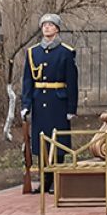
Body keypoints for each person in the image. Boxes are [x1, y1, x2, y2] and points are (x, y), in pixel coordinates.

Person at [21, 13, 79, 195]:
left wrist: (71, 108)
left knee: (57, 142)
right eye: (44, 25)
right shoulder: (33, 52)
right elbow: (27, 81)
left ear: (57, 29)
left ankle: (56, 181)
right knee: (41, 143)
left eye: (50, 25)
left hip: (57, 102)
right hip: (39, 103)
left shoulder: (66, 52)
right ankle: (44, 182)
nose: (47, 28)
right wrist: (26, 104)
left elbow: (72, 82)